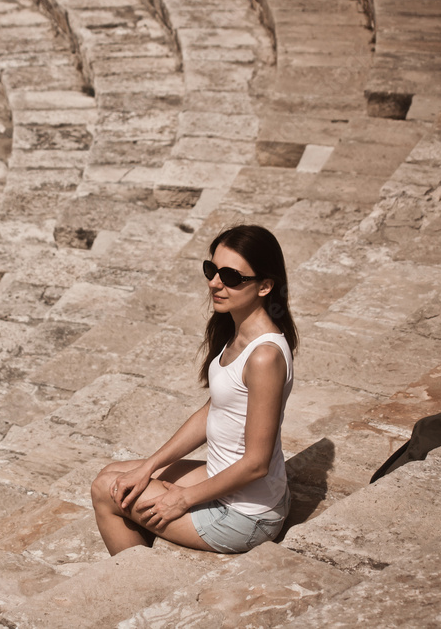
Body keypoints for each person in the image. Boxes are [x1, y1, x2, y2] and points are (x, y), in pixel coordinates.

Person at [91, 225, 298, 555]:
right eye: (211, 270)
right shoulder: (238, 332)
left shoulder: (264, 356)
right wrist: (148, 466)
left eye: (231, 277)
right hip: (226, 482)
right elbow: (213, 409)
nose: (215, 283)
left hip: (247, 517)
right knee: (118, 474)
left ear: (265, 286)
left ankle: (139, 588)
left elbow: (257, 464)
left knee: (107, 490)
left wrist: (181, 499)